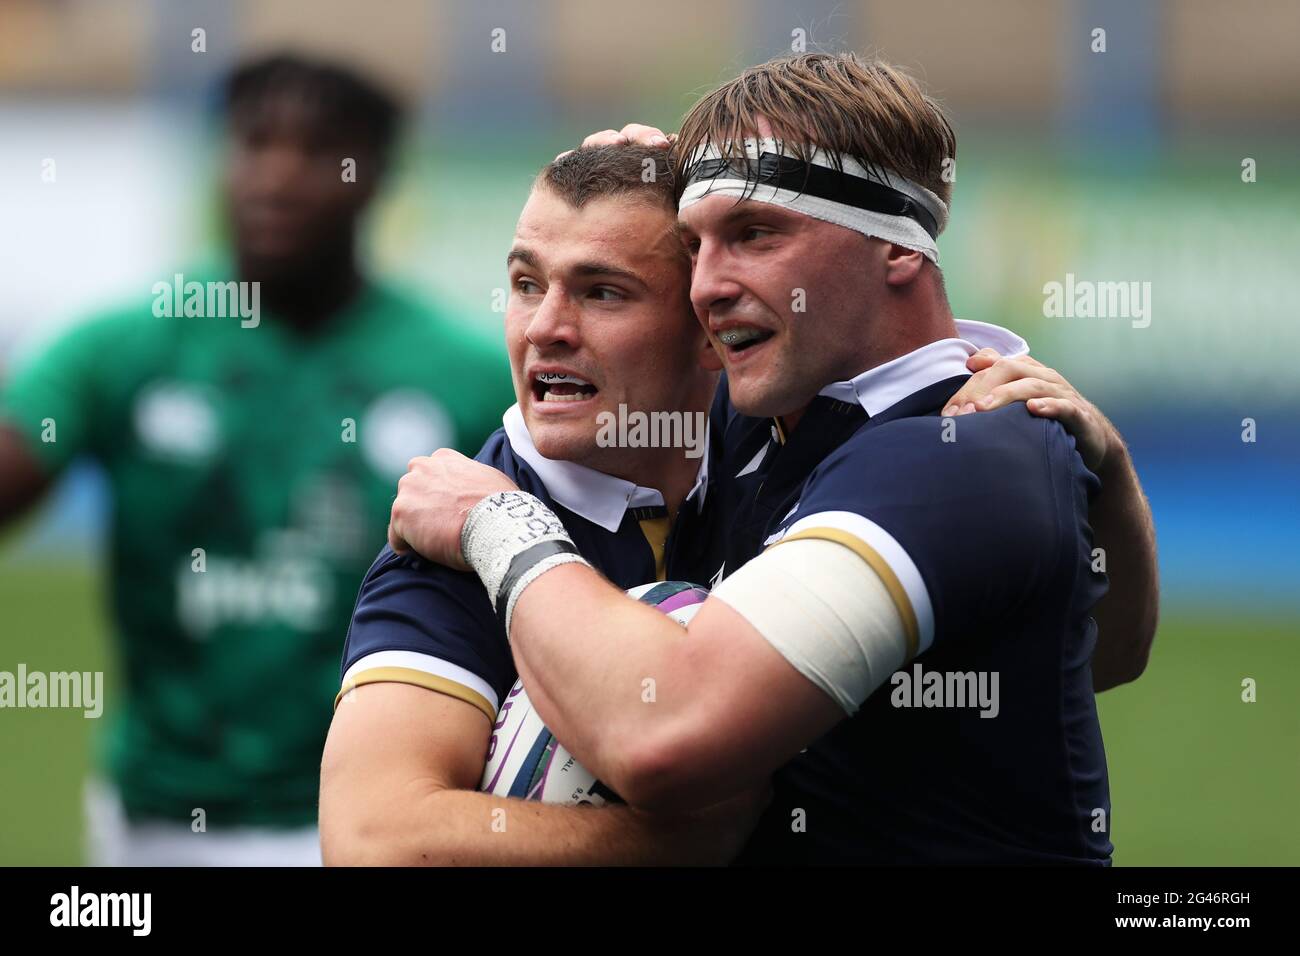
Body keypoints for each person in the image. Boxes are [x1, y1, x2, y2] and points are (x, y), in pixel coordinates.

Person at [383, 54, 1159, 864]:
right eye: (692, 243)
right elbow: (1095, 653)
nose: (706, 284)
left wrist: (495, 524)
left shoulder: (956, 455)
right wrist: (633, 187)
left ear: (897, 245)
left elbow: (666, 734)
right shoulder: (779, 413)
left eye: (756, 234)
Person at [0, 52, 511, 865]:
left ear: (375, 175)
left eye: (315, 151)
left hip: (368, 818)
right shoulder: (122, 348)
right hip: (153, 820)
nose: (274, 175)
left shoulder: (464, 374)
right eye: (252, 143)